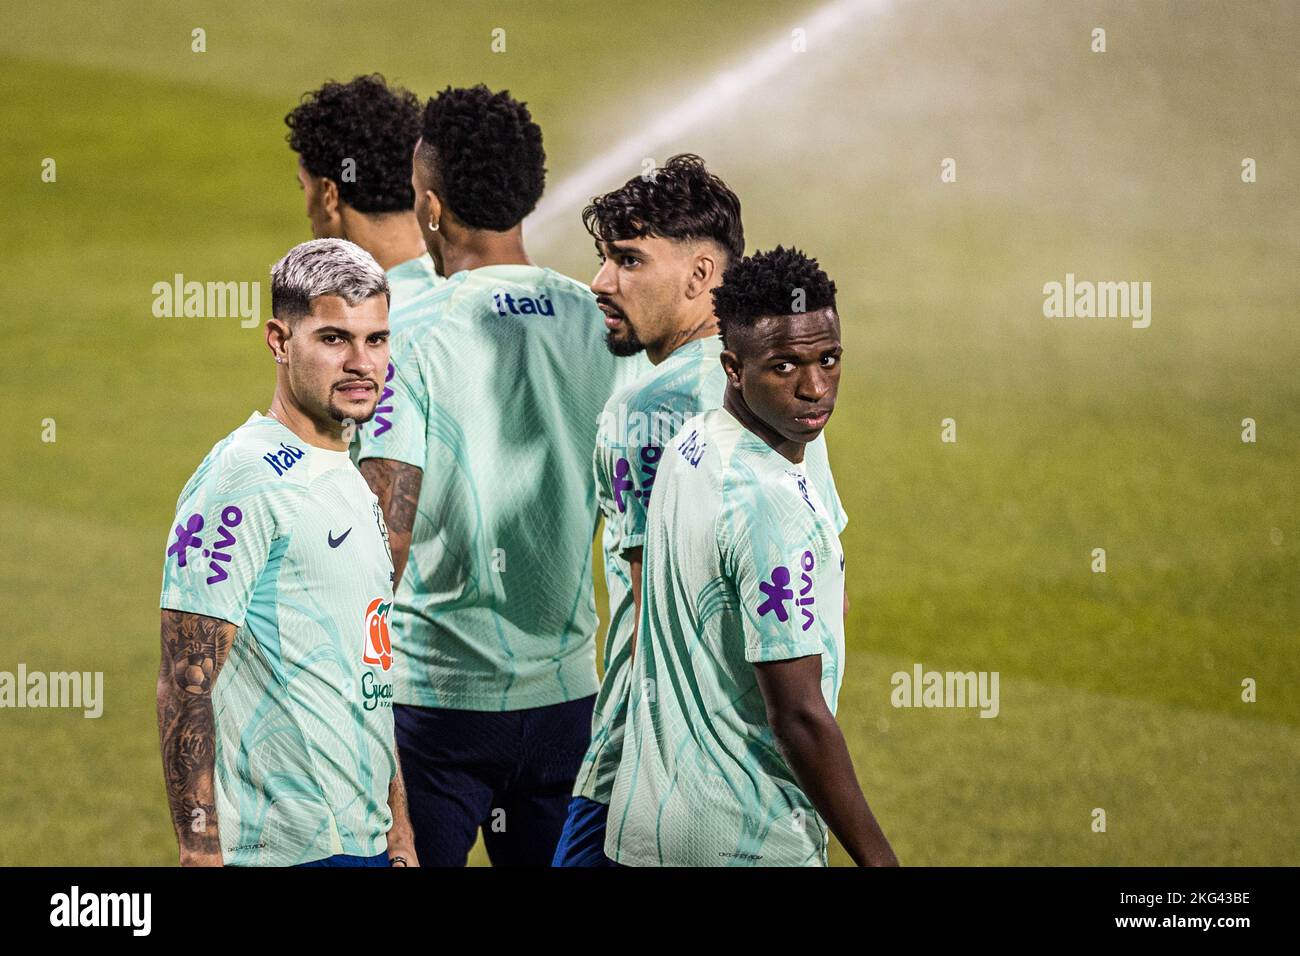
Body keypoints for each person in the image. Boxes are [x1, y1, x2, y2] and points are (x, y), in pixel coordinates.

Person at [357, 85, 629, 866]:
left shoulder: (407, 338)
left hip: (434, 708)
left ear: (433, 208)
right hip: (571, 702)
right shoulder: (601, 323)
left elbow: (380, 550)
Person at [553, 156, 847, 866]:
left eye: (628, 259)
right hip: (770, 775)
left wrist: (613, 778)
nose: (601, 282)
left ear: (700, 276)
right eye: (603, 259)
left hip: (651, 775)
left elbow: (655, 628)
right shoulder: (774, 387)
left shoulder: (644, 410)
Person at [606, 246, 897, 867]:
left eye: (828, 359)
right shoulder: (768, 506)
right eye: (784, 366)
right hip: (743, 834)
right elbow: (796, 714)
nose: (815, 387)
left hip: (653, 824)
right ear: (732, 368)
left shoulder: (694, 442)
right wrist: (879, 860)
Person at [157, 238, 417, 867]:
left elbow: (370, 672)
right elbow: (184, 681)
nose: (362, 363)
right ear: (279, 340)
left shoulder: (349, 474)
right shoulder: (244, 478)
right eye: (334, 339)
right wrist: (199, 851)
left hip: (362, 843)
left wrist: (399, 830)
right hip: (279, 852)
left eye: (376, 339)